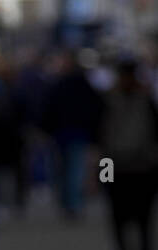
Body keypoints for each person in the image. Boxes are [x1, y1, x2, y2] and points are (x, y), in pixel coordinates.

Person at [99, 59, 158, 250]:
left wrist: (103, 177)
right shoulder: (146, 101)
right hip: (144, 169)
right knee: (144, 224)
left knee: (118, 222)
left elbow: (101, 140)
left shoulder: (109, 101)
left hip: (117, 168)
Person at [44, 50, 104, 220]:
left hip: (64, 134)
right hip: (74, 133)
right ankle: (73, 204)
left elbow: (48, 109)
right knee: (73, 170)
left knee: (65, 170)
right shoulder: (81, 84)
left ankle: (69, 203)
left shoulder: (58, 84)